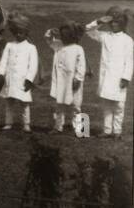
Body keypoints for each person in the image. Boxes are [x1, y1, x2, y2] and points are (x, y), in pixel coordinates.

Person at [86, 8, 132, 138]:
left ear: (123, 24)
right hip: (106, 77)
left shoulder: (128, 40)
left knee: (119, 106)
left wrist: (126, 77)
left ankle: (117, 131)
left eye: (117, 22)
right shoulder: (105, 36)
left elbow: (129, 61)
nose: (113, 24)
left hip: (119, 78)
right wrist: (99, 21)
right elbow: (88, 30)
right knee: (106, 104)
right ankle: (107, 130)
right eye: (111, 22)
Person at [45, 23, 87, 136]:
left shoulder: (78, 48)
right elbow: (48, 39)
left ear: (72, 36)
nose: (64, 38)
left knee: (76, 105)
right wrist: (50, 31)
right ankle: (58, 126)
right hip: (60, 80)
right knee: (59, 104)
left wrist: (78, 78)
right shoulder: (58, 45)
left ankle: (81, 130)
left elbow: (82, 65)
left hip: (73, 81)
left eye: (66, 35)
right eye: (62, 35)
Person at [0, 14, 38, 132]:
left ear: (26, 34)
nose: (19, 35)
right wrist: (1, 74)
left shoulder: (31, 47)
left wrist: (29, 79)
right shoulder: (9, 45)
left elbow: (33, 66)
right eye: (17, 32)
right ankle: (8, 123)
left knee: (24, 103)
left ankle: (26, 124)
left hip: (22, 80)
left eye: (22, 33)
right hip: (10, 79)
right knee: (9, 102)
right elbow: (3, 61)